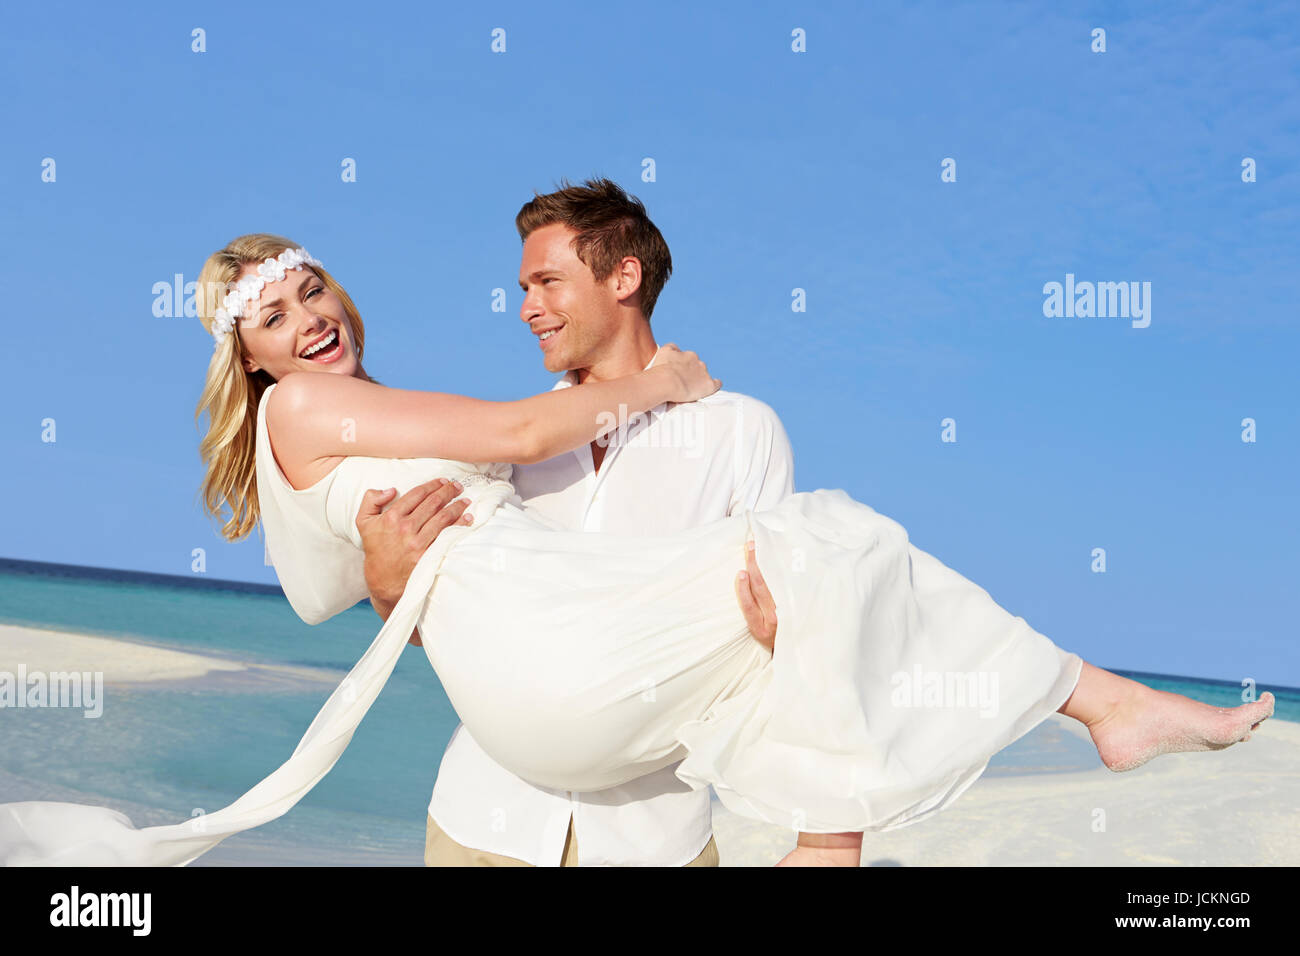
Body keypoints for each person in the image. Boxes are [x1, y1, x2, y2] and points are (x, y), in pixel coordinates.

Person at [0, 229, 1274, 867]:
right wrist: (652, 385)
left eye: (311, 288)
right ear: (255, 358)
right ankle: (1103, 703)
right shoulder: (364, 418)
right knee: (848, 534)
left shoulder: (721, 431)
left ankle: (1095, 707)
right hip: (505, 766)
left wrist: (396, 571)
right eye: (273, 316)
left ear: (621, 274)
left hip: (638, 805)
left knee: (829, 558)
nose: (307, 318)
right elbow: (396, 536)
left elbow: (321, 583)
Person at [358, 178, 801, 867]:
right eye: (523, 288)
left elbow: (777, 638)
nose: (527, 308)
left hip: (652, 840)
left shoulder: (741, 433)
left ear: (624, 277)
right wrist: (388, 589)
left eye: (547, 283)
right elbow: (444, 635)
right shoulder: (508, 444)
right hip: (481, 822)